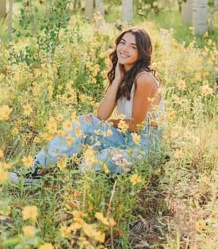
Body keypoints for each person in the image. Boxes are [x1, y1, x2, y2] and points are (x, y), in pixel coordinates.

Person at [9, 27, 165, 185]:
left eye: (133, 47)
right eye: (122, 43)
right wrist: (117, 79)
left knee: (92, 164)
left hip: (144, 149)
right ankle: (36, 170)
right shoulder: (124, 75)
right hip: (124, 139)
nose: (124, 49)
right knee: (85, 122)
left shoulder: (143, 78)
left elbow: (136, 125)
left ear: (142, 52)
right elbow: (101, 115)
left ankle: (54, 184)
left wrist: (111, 123)